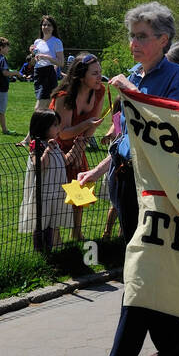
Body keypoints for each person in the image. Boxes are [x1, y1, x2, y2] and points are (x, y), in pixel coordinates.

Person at [83, 3, 179, 356]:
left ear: (163, 40)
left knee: (141, 268)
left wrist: (133, 94)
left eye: (143, 36)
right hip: (124, 181)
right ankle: (174, 344)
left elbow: (174, 126)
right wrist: (99, 170)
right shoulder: (134, 75)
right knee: (150, 264)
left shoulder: (176, 77)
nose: (134, 43)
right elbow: (124, 137)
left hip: (156, 187)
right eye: (132, 35)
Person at [50, 53, 106, 242]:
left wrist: (77, 150)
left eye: (100, 72)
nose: (100, 77)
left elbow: (94, 125)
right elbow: (62, 133)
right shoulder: (64, 96)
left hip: (78, 145)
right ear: (81, 77)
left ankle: (76, 232)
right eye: (94, 73)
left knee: (79, 192)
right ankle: (54, 235)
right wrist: (86, 124)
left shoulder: (99, 91)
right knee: (56, 193)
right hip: (56, 147)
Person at [18, 110, 67, 252]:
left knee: (51, 223)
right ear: (43, 127)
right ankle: (39, 252)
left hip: (54, 192)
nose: (58, 129)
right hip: (42, 193)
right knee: (40, 223)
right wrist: (47, 151)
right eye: (55, 125)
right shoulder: (36, 144)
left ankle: (49, 250)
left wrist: (78, 147)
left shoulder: (54, 144)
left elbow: (65, 161)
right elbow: (39, 165)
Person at [31, 16, 63, 107]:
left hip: (49, 72)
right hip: (38, 72)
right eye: (44, 25)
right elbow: (34, 61)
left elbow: (61, 62)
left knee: (39, 107)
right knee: (47, 107)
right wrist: (33, 55)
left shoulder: (56, 42)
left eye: (49, 25)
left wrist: (46, 57)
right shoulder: (37, 42)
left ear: (53, 28)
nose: (46, 27)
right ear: (41, 27)